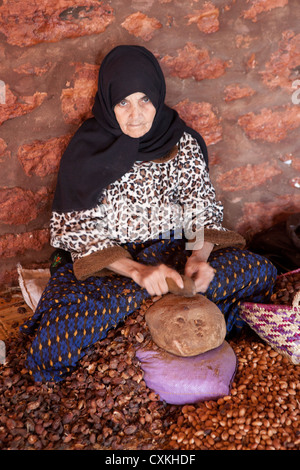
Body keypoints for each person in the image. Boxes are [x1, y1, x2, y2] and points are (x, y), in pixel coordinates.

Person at [20, 45, 277, 382]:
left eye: (145, 100)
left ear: (158, 96)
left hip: (173, 254)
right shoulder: (88, 149)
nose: (136, 114)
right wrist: (137, 271)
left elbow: (199, 208)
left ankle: (147, 321)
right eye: (123, 102)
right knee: (57, 341)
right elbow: (76, 229)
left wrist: (199, 257)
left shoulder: (181, 141)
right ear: (109, 102)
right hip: (113, 269)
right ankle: (150, 315)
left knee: (258, 270)